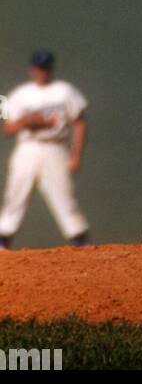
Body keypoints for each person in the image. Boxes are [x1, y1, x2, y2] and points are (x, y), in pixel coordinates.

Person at [0, 51, 90, 249]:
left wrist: (75, 156)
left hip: (55, 148)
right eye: (38, 68)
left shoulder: (65, 90)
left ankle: (81, 244)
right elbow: (7, 129)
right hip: (27, 148)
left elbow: (79, 123)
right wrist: (26, 121)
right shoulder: (20, 93)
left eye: (45, 67)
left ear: (51, 69)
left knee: (65, 198)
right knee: (15, 195)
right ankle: (3, 243)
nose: (42, 72)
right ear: (32, 69)